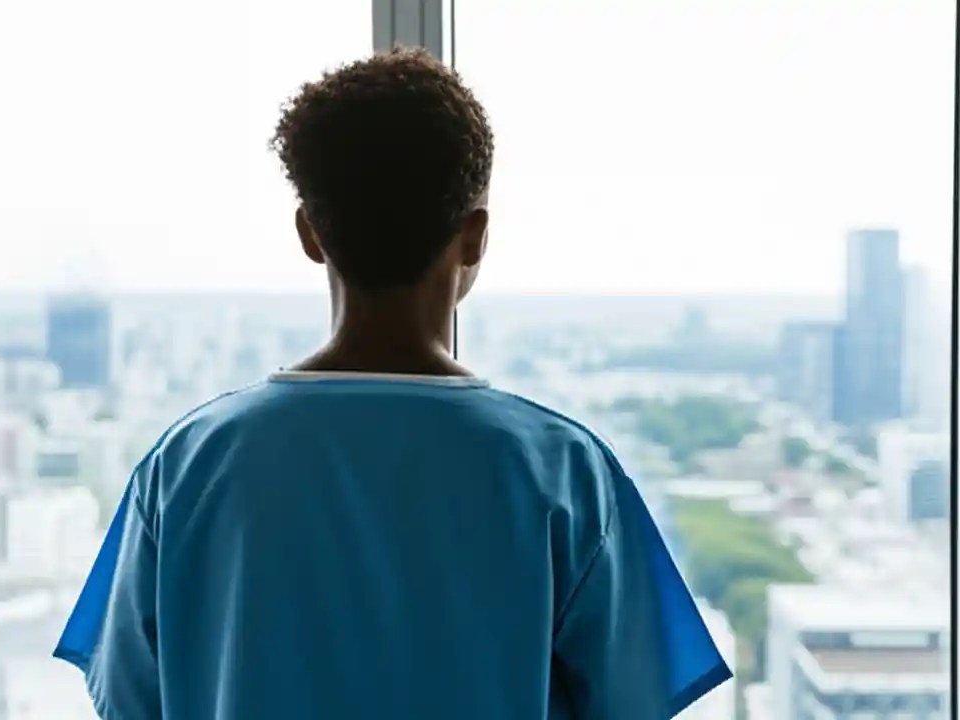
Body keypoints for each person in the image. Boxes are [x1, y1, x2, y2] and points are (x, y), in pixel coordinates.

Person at [53, 47, 731, 720]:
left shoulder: (187, 466)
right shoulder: (563, 472)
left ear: (310, 233)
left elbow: (131, 700)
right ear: (474, 237)